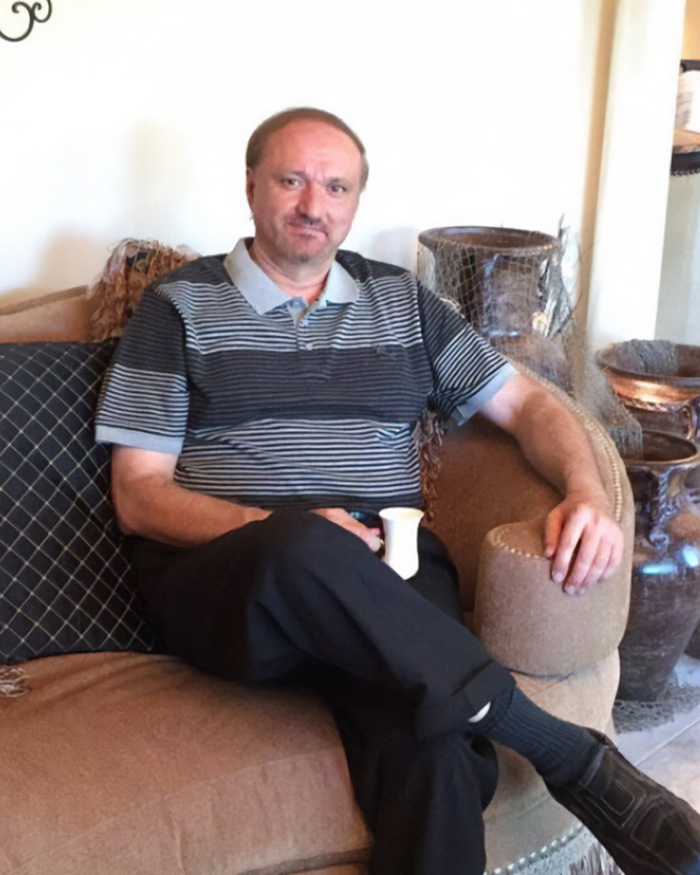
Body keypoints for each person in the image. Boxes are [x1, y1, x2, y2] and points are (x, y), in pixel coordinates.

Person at [95, 107, 700, 875]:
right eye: (292, 179)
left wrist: (586, 486)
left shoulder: (403, 303)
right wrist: (273, 526)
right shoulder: (177, 306)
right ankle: (569, 755)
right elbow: (139, 495)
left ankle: (490, 716)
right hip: (236, 580)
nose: (314, 204)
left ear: (355, 202)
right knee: (299, 541)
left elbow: (530, 406)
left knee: (438, 748)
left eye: (337, 187)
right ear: (251, 187)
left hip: (392, 565)